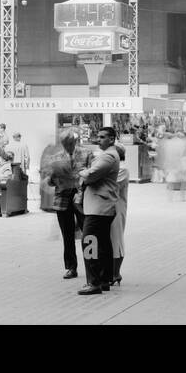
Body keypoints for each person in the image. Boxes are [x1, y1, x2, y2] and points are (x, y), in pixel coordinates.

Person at [77, 126, 119, 295]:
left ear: (111, 139)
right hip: (101, 206)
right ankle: (104, 279)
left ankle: (93, 282)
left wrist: (80, 171)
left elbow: (91, 175)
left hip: (98, 206)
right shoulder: (108, 155)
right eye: (98, 136)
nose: (98, 139)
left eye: (102, 137)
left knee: (89, 242)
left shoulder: (108, 156)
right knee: (102, 243)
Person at [44, 132, 85, 279]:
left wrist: (77, 178)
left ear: (75, 141)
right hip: (62, 199)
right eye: (64, 143)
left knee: (87, 233)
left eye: (69, 142)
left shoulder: (86, 155)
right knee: (67, 235)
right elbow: (48, 181)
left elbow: (92, 175)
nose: (67, 145)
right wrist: (54, 177)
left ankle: (91, 265)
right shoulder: (56, 158)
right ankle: (71, 267)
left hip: (81, 199)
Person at [110, 143, 129, 286]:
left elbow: (109, 184)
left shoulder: (122, 169)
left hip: (117, 208)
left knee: (116, 239)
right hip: (106, 207)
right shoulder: (112, 168)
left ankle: (116, 273)